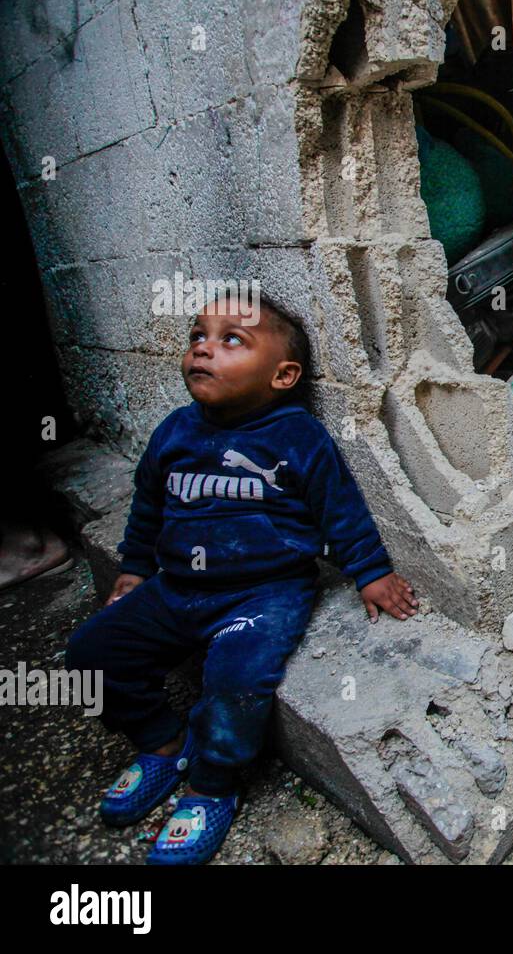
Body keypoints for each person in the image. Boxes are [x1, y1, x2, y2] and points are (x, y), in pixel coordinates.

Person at [64, 295, 418, 865]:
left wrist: (371, 572)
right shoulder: (174, 433)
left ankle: (211, 784)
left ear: (283, 375)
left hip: (262, 595)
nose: (203, 346)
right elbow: (147, 508)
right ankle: (163, 743)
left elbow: (341, 510)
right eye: (198, 335)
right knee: (90, 651)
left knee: (235, 679)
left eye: (232, 339)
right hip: (176, 588)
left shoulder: (296, 436)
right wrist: (133, 570)